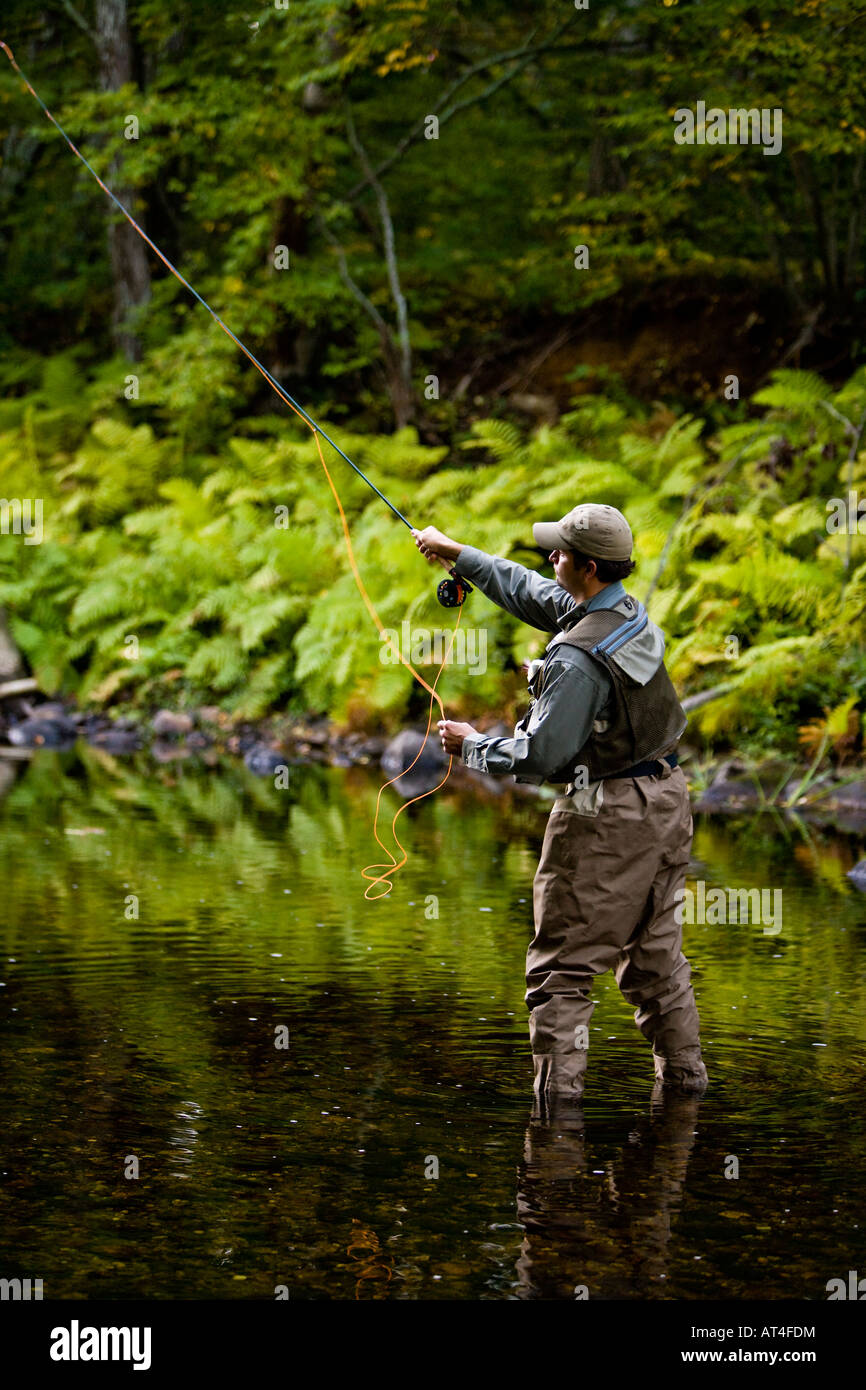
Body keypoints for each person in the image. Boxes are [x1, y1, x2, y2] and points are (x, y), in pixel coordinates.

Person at [412, 504, 708, 1101]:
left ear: (590, 566)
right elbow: (533, 592)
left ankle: (556, 1123)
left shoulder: (577, 660)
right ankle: (685, 1092)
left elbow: (542, 757)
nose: (551, 559)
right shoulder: (624, 610)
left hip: (606, 815)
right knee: (656, 963)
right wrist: (459, 555)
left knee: (562, 971)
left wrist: (472, 748)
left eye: (561, 554)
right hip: (668, 799)